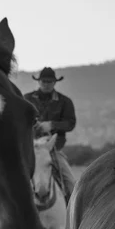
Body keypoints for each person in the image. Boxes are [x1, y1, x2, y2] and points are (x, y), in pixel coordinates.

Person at [24, 67, 77, 201]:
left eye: (49, 82)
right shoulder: (26, 99)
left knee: (71, 183)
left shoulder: (65, 102)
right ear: (39, 82)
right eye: (44, 81)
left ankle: (73, 211)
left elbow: (70, 123)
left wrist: (52, 125)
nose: (46, 84)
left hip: (53, 149)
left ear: (54, 83)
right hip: (29, 148)